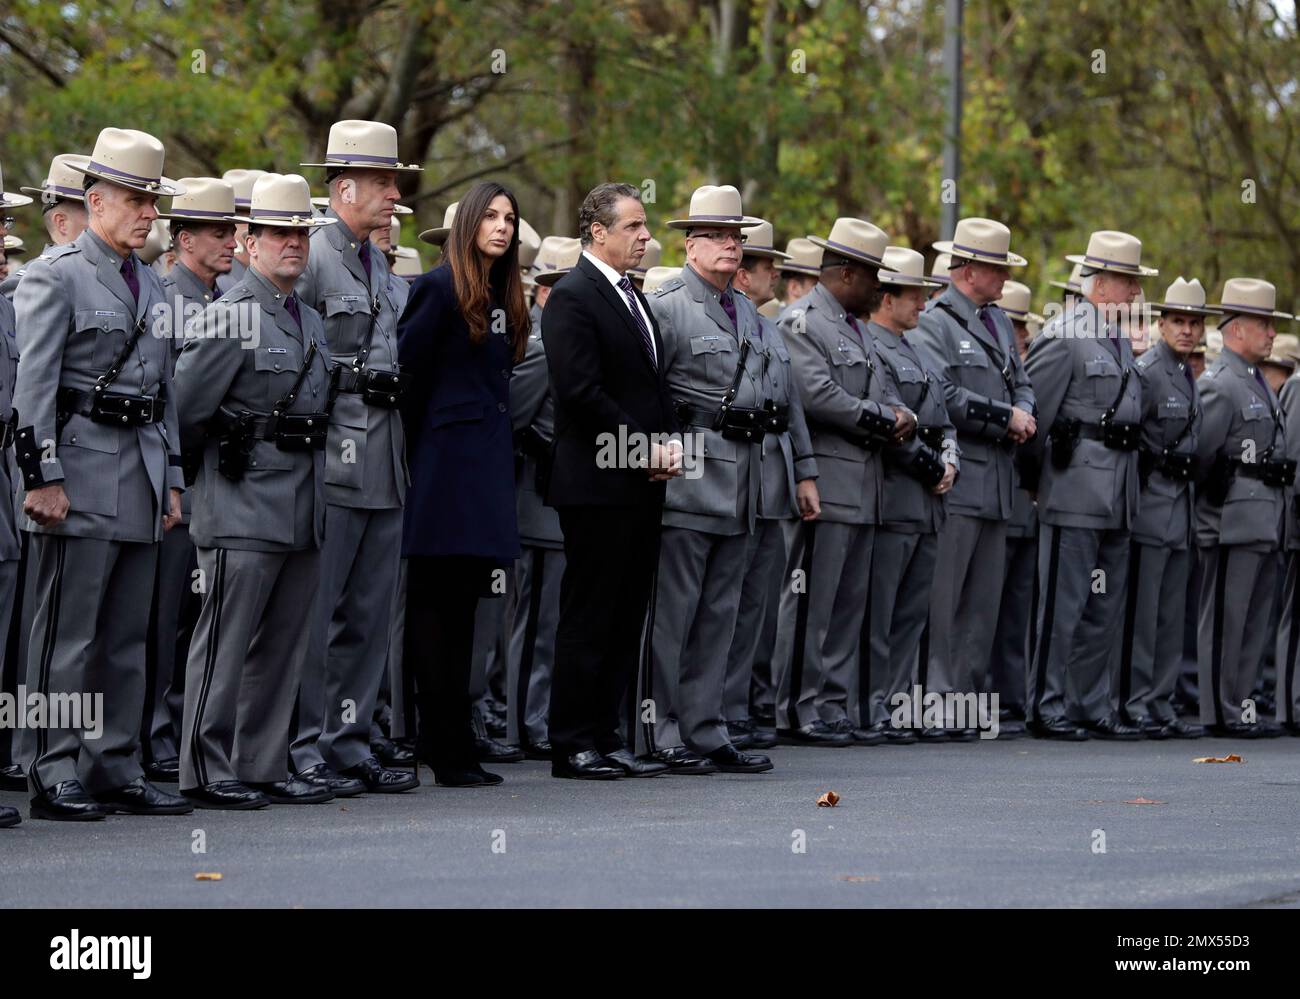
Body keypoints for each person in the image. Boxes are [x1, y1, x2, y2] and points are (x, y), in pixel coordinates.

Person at [12, 127, 189, 820]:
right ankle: (52, 766)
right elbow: (34, 387)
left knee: (126, 636)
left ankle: (115, 761)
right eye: (137, 199)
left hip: (140, 476)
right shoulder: (55, 273)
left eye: (154, 200)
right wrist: (42, 476)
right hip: (79, 474)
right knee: (67, 634)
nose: (150, 213)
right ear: (95, 200)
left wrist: (172, 476)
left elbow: (164, 391)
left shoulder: (152, 282)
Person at [173, 173, 338, 807]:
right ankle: (206, 768)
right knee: (224, 641)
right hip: (242, 499)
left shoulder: (311, 321)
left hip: (302, 501)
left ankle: (261, 763)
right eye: (277, 233)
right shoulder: (232, 315)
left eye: (300, 233)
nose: (291, 244)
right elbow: (185, 410)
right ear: (248, 240)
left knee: (282, 644)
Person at [290, 120, 421, 796]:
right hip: (333, 455)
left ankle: (349, 739)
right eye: (382, 182)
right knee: (320, 614)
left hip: (384, 459)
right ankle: (305, 744)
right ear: (343, 187)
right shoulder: (312, 256)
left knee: (367, 618)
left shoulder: (377, 261)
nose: (394, 194)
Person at [542, 181, 681, 779]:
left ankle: (606, 734)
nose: (646, 237)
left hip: (640, 482)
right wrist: (642, 445)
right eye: (634, 227)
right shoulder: (574, 294)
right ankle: (572, 741)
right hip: (597, 482)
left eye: (645, 227)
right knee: (590, 613)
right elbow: (579, 392)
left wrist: (673, 441)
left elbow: (651, 385)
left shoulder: (635, 298)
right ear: (598, 232)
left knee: (627, 613)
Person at [638, 185, 777, 775]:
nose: (731, 245)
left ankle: (705, 726)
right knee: (674, 615)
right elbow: (647, 391)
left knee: (722, 614)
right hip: (690, 477)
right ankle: (660, 728)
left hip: (743, 478)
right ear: (690, 245)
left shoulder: (747, 310)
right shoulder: (666, 303)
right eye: (718, 235)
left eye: (737, 236)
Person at [396, 180, 530, 786]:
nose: (502, 227)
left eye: (511, 218)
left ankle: (455, 742)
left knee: (465, 612)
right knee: (435, 609)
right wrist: (427, 461)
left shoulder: (502, 294)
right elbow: (410, 384)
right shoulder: (435, 288)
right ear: (468, 222)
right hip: (444, 471)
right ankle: (443, 747)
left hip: (484, 470)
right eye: (492, 217)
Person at [772, 217, 911, 744]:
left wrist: (905, 417)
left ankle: (831, 705)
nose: (880, 287)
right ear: (847, 273)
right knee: (813, 603)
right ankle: (798, 709)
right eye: (874, 275)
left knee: (847, 606)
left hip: (864, 488)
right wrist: (885, 418)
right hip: (826, 482)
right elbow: (817, 395)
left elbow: (888, 391)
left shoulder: (856, 328)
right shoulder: (803, 320)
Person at [910, 217, 1035, 739]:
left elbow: (1022, 382)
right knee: (946, 600)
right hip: (963, 479)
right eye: (996, 268)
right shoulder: (935, 321)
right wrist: (1006, 416)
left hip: (998, 481)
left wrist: (1023, 409)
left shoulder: (999, 321)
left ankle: (966, 701)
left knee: (982, 602)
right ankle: (934, 702)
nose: (1004, 278)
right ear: (968, 270)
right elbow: (943, 397)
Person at [1024, 231, 1151, 740]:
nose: (1136, 294)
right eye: (1128, 283)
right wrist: (1038, 482)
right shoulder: (1065, 334)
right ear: (1099, 285)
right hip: (1074, 487)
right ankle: (1047, 705)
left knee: (1104, 606)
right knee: (1063, 604)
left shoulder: (1117, 338)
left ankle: (1090, 704)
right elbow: (1037, 417)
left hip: (1118, 490)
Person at [142, 178, 242, 785]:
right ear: (183, 239)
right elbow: (172, 397)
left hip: (216, 478)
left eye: (233, 230)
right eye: (218, 232)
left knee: (198, 611)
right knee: (164, 616)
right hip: (179, 475)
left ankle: (178, 731)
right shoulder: (162, 296)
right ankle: (153, 734)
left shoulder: (224, 296)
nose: (231, 241)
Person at [860, 247, 956, 742]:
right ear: (885, 296)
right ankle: (872, 704)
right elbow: (890, 421)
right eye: (914, 294)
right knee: (881, 611)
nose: (923, 302)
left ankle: (896, 702)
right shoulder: (871, 345)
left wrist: (951, 457)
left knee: (911, 611)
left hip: (927, 502)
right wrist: (930, 463)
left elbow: (942, 416)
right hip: (897, 492)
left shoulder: (917, 347)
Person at [1195, 278, 1292, 738]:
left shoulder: (1253, 380)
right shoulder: (1221, 383)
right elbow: (1204, 459)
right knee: (1225, 621)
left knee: (1252, 621)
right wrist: (1214, 515)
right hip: (1231, 518)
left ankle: (1241, 707)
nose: (1272, 334)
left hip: (1260, 516)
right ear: (1235, 329)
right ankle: (1220, 711)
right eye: (1264, 324)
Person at [1119, 277, 1212, 739]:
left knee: (1172, 613)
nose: (1187, 331)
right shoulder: (1149, 370)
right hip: (1153, 504)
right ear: (1161, 323)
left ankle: (1161, 700)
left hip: (1181, 509)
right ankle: (1137, 701)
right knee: (1146, 612)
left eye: (1195, 323)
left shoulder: (1186, 372)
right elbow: (1135, 441)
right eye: (1179, 321)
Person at [506, 237, 581, 758]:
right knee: (533, 622)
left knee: (553, 620)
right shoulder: (538, 346)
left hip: (564, 501)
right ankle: (520, 720)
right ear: (549, 293)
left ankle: (540, 714)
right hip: (537, 500)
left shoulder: (567, 341)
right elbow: (514, 420)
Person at [987, 279, 1042, 737]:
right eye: (1015, 324)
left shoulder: (1015, 363)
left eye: (1022, 325)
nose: (1018, 333)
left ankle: (1009, 694)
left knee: (1014, 606)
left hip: (1021, 499)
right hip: (996, 490)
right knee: (983, 601)